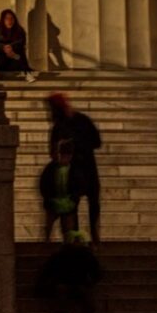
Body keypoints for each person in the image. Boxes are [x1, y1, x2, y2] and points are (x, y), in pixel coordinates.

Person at [47, 93, 103, 244]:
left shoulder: (79, 121)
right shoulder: (59, 126)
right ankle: (77, 238)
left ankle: (93, 236)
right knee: (74, 205)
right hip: (73, 171)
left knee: (89, 203)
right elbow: (52, 152)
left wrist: (72, 143)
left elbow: (97, 142)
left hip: (83, 168)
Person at [34, 229, 104, 313]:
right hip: (69, 283)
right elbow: (48, 270)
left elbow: (96, 271)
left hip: (74, 283)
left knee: (80, 293)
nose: (77, 243)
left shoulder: (82, 255)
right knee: (66, 292)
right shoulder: (81, 255)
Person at [38, 140, 87, 242]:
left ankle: (67, 246)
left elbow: (80, 186)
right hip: (54, 202)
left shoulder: (74, 170)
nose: (65, 159)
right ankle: (47, 243)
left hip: (68, 203)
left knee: (68, 229)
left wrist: (73, 199)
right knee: (49, 227)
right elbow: (44, 185)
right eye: (63, 156)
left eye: (67, 156)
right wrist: (49, 198)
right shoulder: (51, 168)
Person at [0, 8, 37, 81]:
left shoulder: (19, 29)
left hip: (14, 59)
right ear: (2, 20)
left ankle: (27, 73)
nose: (9, 21)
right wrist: (4, 47)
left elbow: (21, 42)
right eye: (6, 19)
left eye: (11, 18)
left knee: (20, 53)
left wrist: (11, 48)